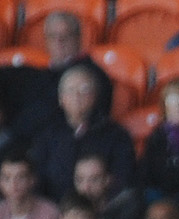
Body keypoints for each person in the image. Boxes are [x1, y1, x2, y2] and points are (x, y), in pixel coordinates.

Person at [29, 67, 136, 207]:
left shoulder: (116, 135)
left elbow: (123, 178)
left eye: (84, 90)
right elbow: (35, 177)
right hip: (56, 212)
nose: (77, 96)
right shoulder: (47, 135)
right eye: (70, 90)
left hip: (104, 211)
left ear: (95, 95)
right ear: (61, 99)